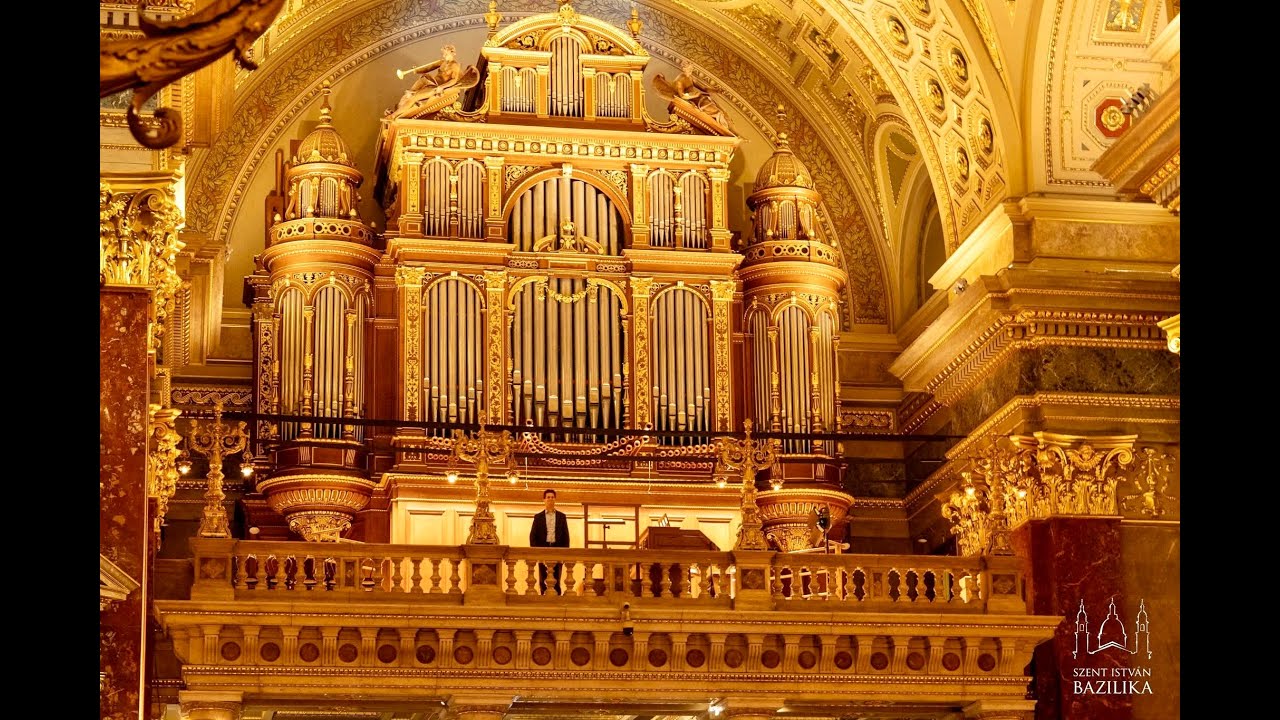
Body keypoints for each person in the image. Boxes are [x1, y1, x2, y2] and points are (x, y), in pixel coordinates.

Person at [529, 488, 570, 595]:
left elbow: (566, 536)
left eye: (552, 497)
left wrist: (565, 554)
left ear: (555, 499)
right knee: (543, 578)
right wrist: (536, 553)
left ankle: (557, 600)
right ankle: (543, 598)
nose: (550, 499)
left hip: (558, 549)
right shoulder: (538, 517)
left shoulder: (562, 516)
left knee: (557, 578)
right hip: (543, 550)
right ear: (544, 500)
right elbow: (532, 536)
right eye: (548, 497)